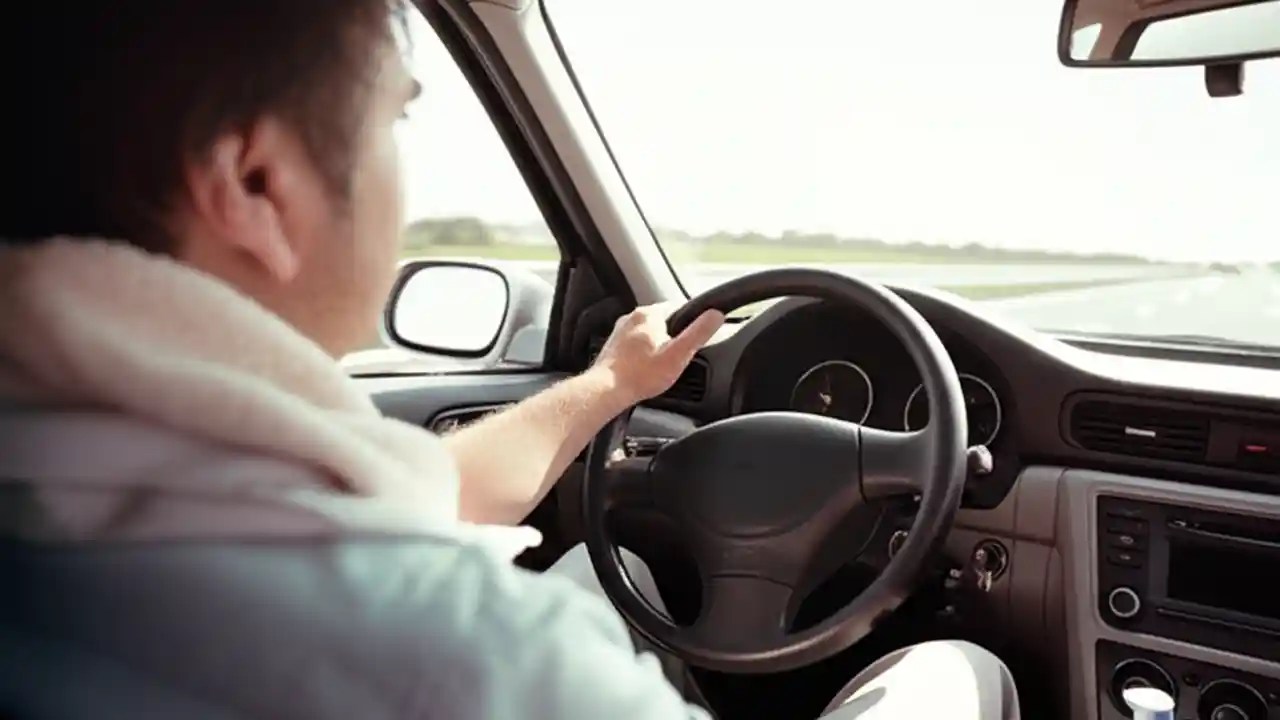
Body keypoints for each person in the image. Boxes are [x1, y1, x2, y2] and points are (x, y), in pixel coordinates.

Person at [0, 3, 1019, 718]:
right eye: (394, 118)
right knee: (956, 673)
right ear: (257, 186)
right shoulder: (467, 661)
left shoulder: (64, 473)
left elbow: (431, 491)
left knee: (601, 573)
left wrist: (612, 387)